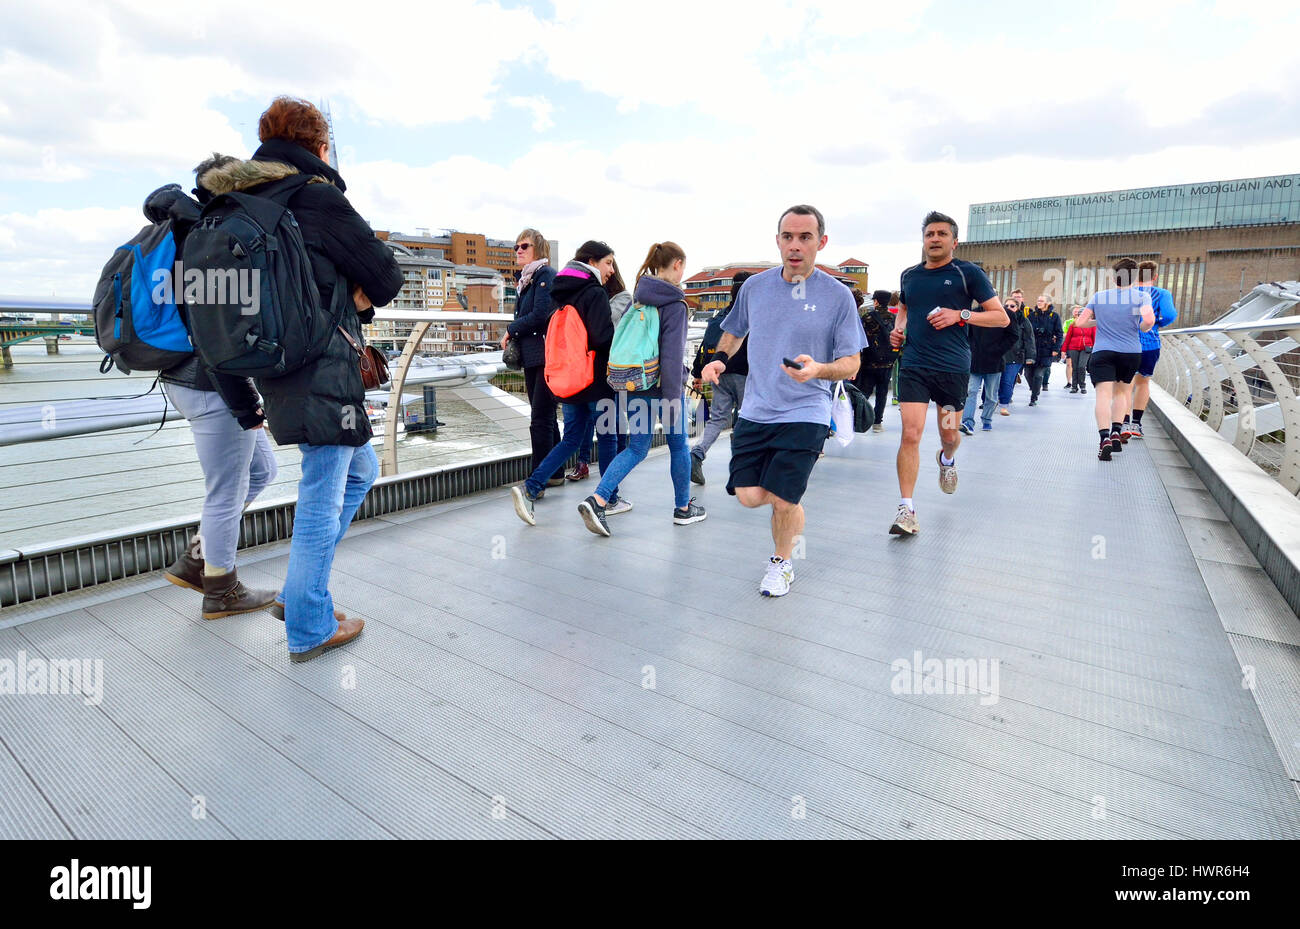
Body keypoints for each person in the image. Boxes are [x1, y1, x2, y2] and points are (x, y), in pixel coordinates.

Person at [196, 97, 403, 661]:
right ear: (319, 145)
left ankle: (299, 592)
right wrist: (352, 295)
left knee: (359, 467)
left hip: (269, 362)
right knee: (323, 486)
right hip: (322, 363)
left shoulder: (235, 201)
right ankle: (309, 624)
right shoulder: (314, 195)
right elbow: (386, 275)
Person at [701, 204, 865, 596]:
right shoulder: (755, 288)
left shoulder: (838, 296)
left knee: (782, 498)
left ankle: (782, 563)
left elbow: (852, 362)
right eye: (788, 237)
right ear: (777, 241)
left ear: (820, 243)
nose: (795, 246)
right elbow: (734, 330)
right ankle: (792, 509)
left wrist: (818, 370)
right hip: (756, 410)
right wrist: (719, 360)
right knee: (749, 496)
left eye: (805, 237)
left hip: (807, 410)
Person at [151, 175, 280, 620]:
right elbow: (217, 339)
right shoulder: (212, 245)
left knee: (263, 470)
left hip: (185, 380)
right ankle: (221, 591)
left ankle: (197, 558)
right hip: (212, 386)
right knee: (226, 493)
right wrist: (247, 404)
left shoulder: (180, 238)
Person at [889, 210, 1007, 536]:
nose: (935, 239)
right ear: (924, 240)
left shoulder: (968, 273)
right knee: (910, 433)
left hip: (952, 369)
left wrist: (961, 314)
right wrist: (898, 330)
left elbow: (1000, 318)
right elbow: (905, 308)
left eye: (942, 234)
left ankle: (947, 459)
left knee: (948, 435)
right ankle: (906, 509)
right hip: (913, 365)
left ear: (954, 241)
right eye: (930, 234)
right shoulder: (909, 276)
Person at [579, 242, 704, 535]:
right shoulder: (674, 304)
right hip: (665, 388)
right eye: (683, 267)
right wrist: (674, 400)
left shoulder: (639, 299)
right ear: (677, 264)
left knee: (636, 448)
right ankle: (683, 509)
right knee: (678, 446)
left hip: (636, 382)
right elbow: (672, 357)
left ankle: (598, 500)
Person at [511, 241, 621, 525]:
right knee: (608, 436)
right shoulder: (594, 292)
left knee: (572, 438)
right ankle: (608, 498)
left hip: (570, 380)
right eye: (608, 262)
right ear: (592, 261)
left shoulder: (560, 291)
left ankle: (531, 488)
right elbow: (601, 337)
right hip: (597, 379)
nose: (611, 269)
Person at [501, 228, 564, 487]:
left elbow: (540, 315)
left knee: (540, 418)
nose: (518, 250)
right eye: (516, 247)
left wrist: (510, 330)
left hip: (545, 356)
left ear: (538, 248)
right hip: (533, 356)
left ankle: (538, 479)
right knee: (546, 416)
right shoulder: (527, 280)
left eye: (524, 246)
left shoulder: (545, 275)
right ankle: (556, 473)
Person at [1076, 257, 1155, 460]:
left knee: (1103, 395)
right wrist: (1141, 327)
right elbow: (1148, 321)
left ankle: (1104, 439)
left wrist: (1099, 321)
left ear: (1114, 277)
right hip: (1130, 352)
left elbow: (1080, 322)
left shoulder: (1100, 296)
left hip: (1102, 351)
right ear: (1135, 277)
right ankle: (1116, 432)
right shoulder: (1141, 297)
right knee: (1122, 393)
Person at [565, 257, 632, 481]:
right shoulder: (590, 293)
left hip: (614, 364)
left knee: (613, 423)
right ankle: (584, 463)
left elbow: (607, 323)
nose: (608, 271)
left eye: (612, 266)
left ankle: (616, 469)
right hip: (587, 364)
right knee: (586, 421)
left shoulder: (621, 297)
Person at [690, 270, 751, 483]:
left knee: (717, 418)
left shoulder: (721, 315)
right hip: (745, 375)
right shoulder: (752, 314)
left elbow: (706, 344)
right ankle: (741, 466)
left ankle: (697, 453)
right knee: (746, 418)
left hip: (719, 373)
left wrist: (698, 373)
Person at [1127, 260, 1178, 439]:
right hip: (1149, 344)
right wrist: (1157, 323)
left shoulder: (1126, 292)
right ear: (1155, 276)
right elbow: (1170, 315)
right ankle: (1136, 424)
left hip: (1126, 343)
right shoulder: (1161, 293)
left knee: (1125, 384)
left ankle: (1122, 423)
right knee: (1143, 383)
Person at [960, 299, 1012, 434]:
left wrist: (998, 350)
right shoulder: (974, 314)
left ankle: (987, 419)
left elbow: (1013, 335)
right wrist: (970, 349)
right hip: (975, 361)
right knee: (971, 392)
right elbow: (965, 334)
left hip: (994, 362)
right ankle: (967, 422)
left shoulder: (1005, 314)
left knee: (991, 396)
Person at [856, 289, 898, 433]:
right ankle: (877, 423)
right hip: (887, 362)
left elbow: (860, 338)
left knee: (864, 392)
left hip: (870, 361)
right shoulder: (894, 318)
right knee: (882, 392)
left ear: (876, 301)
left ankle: (860, 420)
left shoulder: (867, 317)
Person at [995, 297, 1035, 416]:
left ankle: (1004, 405)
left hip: (1015, 356)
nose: (1009, 308)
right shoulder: (999, 319)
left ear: (1018, 308)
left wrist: (1030, 357)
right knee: (995, 381)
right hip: (999, 355)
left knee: (1007, 382)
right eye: (1006, 306)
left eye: (1012, 306)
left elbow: (1029, 339)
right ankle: (992, 401)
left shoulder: (1024, 321)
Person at [1025, 294, 1062, 405]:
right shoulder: (1032, 315)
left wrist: (1056, 349)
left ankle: (1034, 398)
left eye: (1041, 300)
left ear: (1048, 303)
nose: (1039, 302)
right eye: (1038, 300)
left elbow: (1059, 334)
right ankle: (1035, 389)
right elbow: (1026, 332)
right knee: (1028, 374)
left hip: (1046, 349)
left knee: (1038, 375)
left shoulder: (1054, 316)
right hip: (1032, 349)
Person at [1061, 305, 1095, 394]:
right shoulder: (1073, 325)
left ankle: (1083, 386)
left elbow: (1094, 337)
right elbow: (1067, 338)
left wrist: (1096, 350)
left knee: (1081, 366)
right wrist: (1063, 350)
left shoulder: (1092, 325)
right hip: (1073, 348)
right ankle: (1074, 386)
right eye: (1079, 315)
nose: (1081, 316)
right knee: (1075, 367)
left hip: (1086, 348)